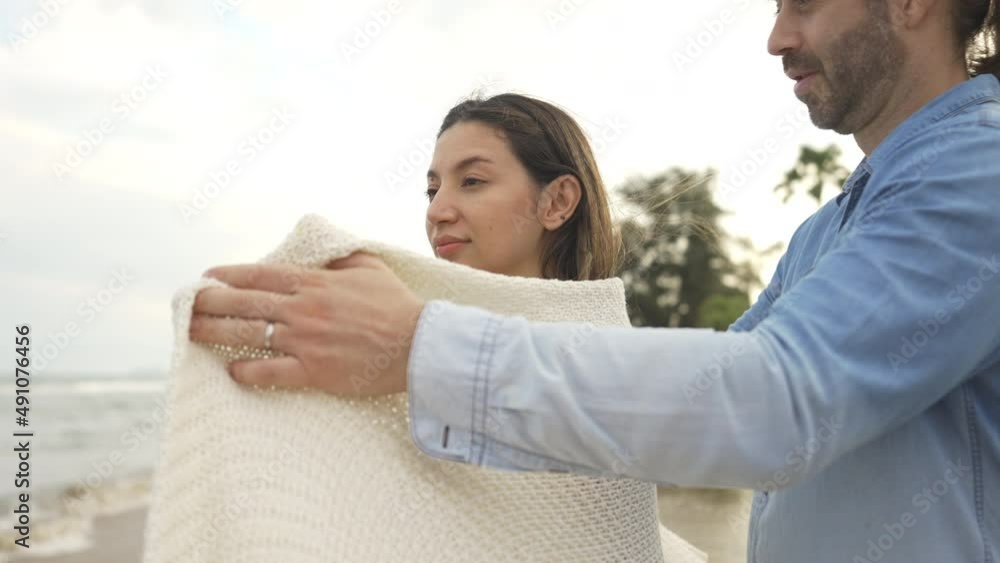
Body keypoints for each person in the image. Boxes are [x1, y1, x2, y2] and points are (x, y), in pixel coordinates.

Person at [191, 1, 1000, 561]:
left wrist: (413, 346)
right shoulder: (829, 230)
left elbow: (774, 403)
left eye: (806, 3)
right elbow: (709, 400)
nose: (777, 37)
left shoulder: (979, 171)